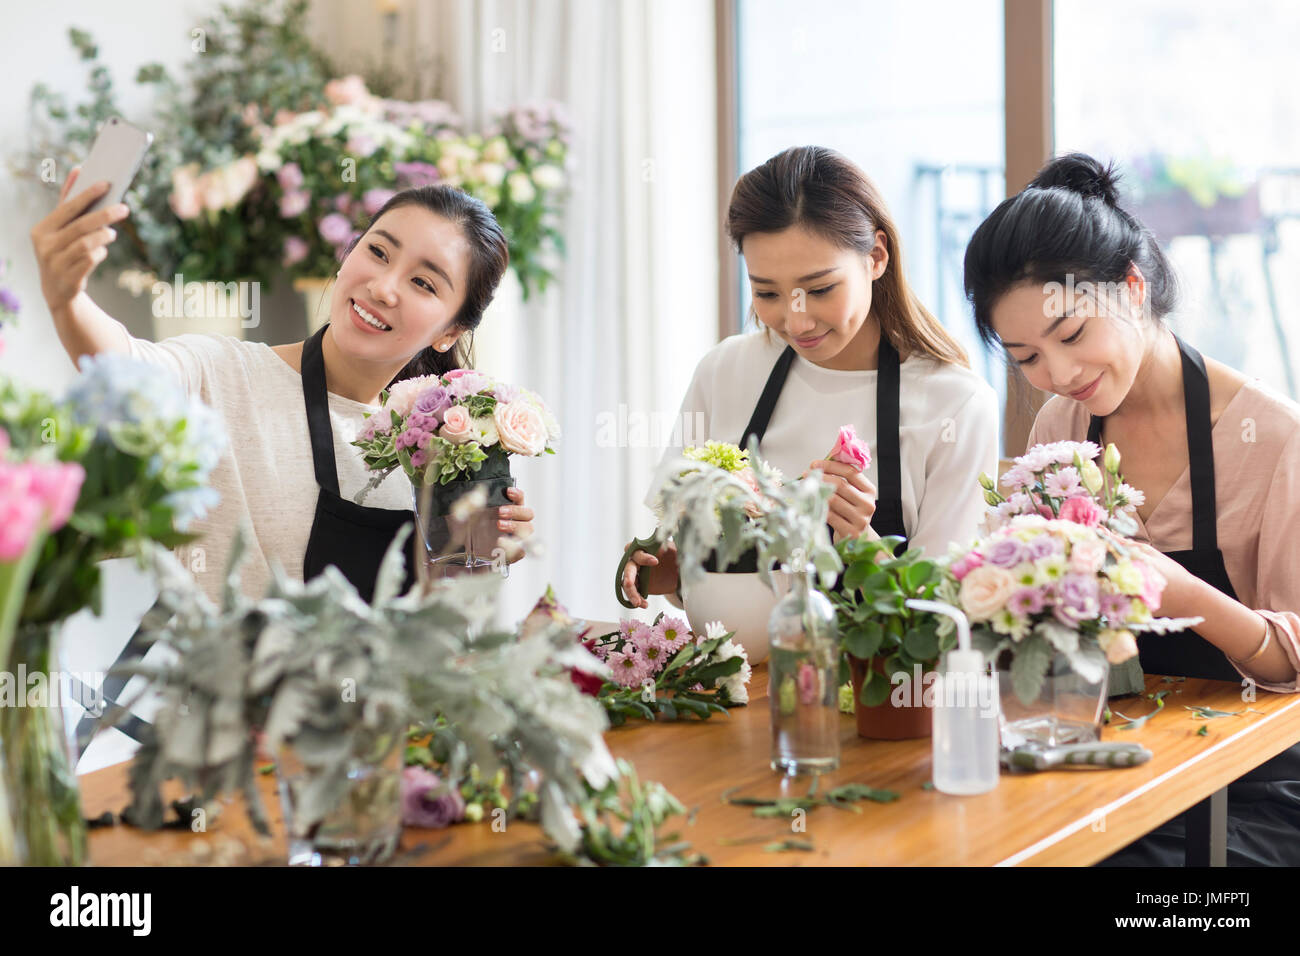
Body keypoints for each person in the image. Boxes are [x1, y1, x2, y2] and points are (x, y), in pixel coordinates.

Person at [964, 151, 1300, 865]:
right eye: (1026, 357)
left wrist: (1184, 595)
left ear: (1132, 287)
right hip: (1110, 766)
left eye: (1073, 335)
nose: (1058, 375)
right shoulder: (1062, 428)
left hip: (1256, 786)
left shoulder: (1274, 439)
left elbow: (1294, 668)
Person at [30, 167, 535, 606]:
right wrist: (65, 299)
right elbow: (126, 366)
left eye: (423, 283)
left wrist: (482, 552)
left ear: (451, 332)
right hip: (227, 711)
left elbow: (442, 625)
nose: (383, 287)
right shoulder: (224, 375)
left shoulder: (440, 448)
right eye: (378, 252)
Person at [621, 145, 1000, 607]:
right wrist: (666, 574)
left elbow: (944, 613)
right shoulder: (724, 371)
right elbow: (687, 568)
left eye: (819, 289)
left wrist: (863, 545)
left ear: (876, 256)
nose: (796, 321)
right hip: (746, 676)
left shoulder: (956, 405)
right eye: (767, 292)